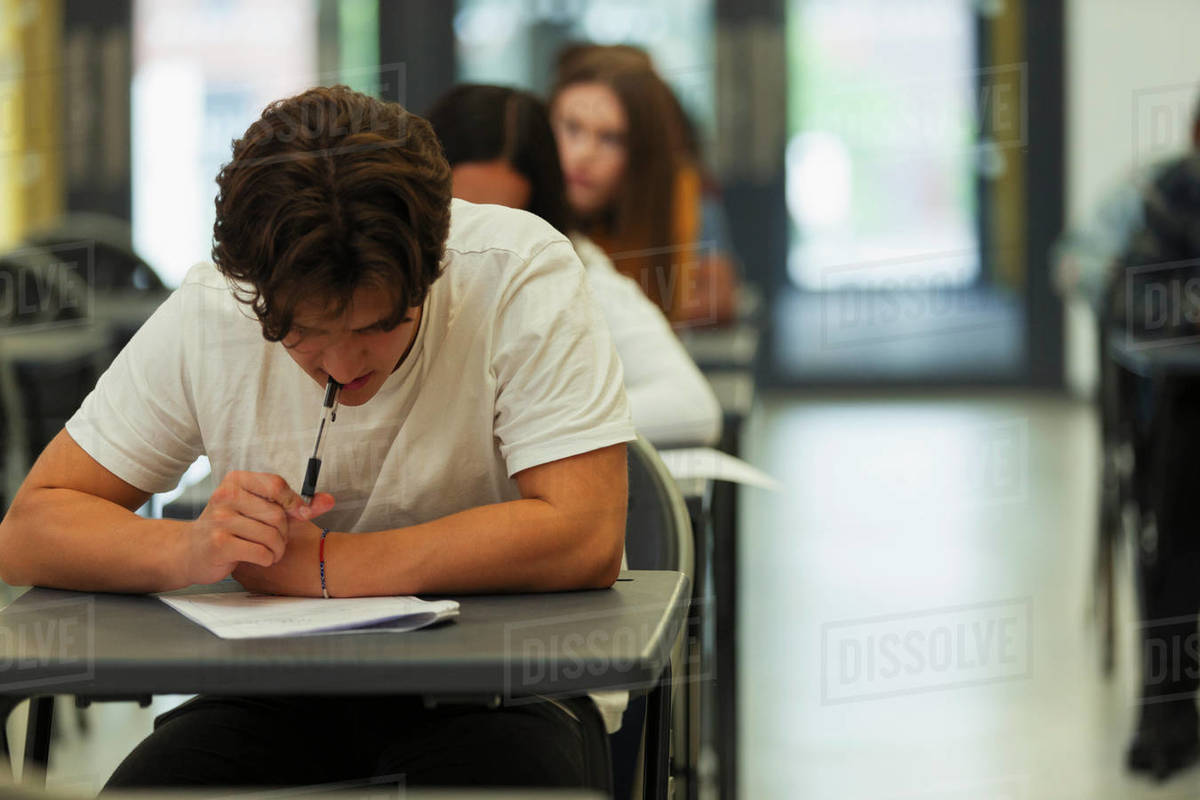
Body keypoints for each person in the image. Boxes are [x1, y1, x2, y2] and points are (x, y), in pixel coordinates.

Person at [0, 85, 632, 793]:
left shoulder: (519, 274)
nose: (340, 366)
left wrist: (329, 564)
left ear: (434, 265)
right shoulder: (216, 307)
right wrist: (193, 547)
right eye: (299, 333)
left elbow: (586, 531)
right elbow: (30, 527)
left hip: (502, 694)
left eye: (374, 328)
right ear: (256, 291)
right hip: (273, 694)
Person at [426, 83, 722, 447]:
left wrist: (527, 422)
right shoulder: (385, 269)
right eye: (458, 215)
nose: (476, 247)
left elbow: (692, 408)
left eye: (504, 223)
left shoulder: (569, 263)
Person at [548, 44, 738, 325]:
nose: (582, 155)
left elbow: (719, 298)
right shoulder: (518, 202)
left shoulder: (681, 195)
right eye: (571, 128)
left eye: (611, 139)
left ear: (643, 154)